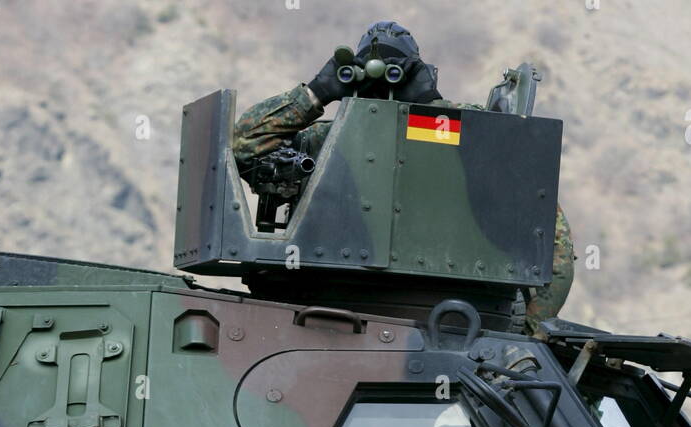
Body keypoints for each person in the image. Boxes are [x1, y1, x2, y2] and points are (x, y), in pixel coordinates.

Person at [232, 20, 574, 331]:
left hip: (325, 317)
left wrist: (429, 109)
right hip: (455, 324)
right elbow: (243, 145)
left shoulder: (323, 142)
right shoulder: (469, 136)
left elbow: (245, 142)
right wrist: (316, 92)